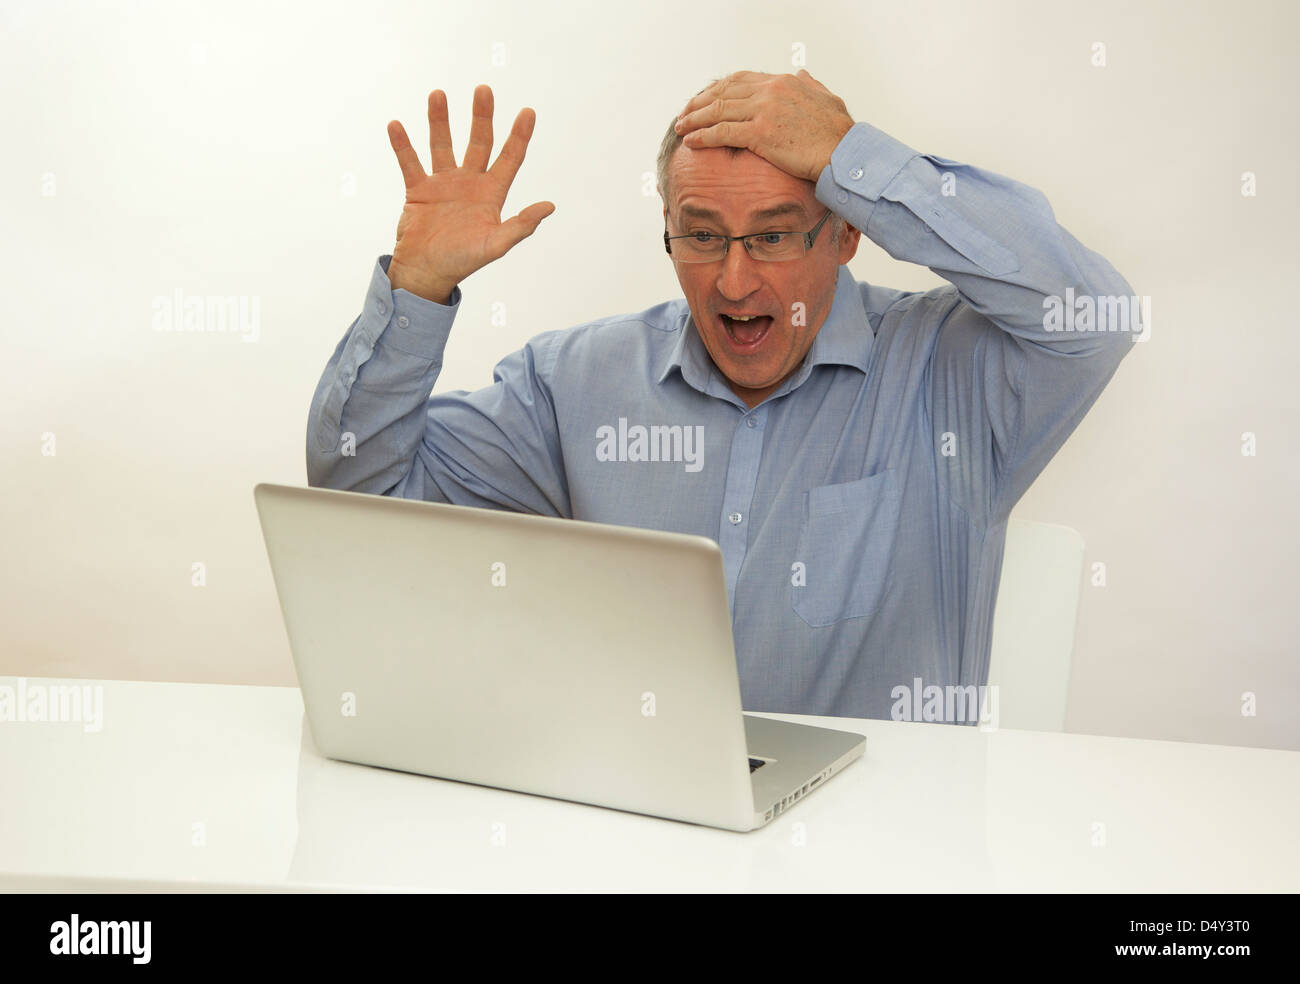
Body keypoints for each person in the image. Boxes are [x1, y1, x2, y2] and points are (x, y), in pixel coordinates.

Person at [306, 71, 1138, 721]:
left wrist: (858, 159)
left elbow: (1095, 318)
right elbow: (362, 493)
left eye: (774, 235)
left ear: (847, 233)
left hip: (882, 856)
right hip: (647, 843)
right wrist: (414, 291)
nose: (735, 280)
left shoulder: (946, 374)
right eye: (701, 236)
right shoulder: (576, 384)